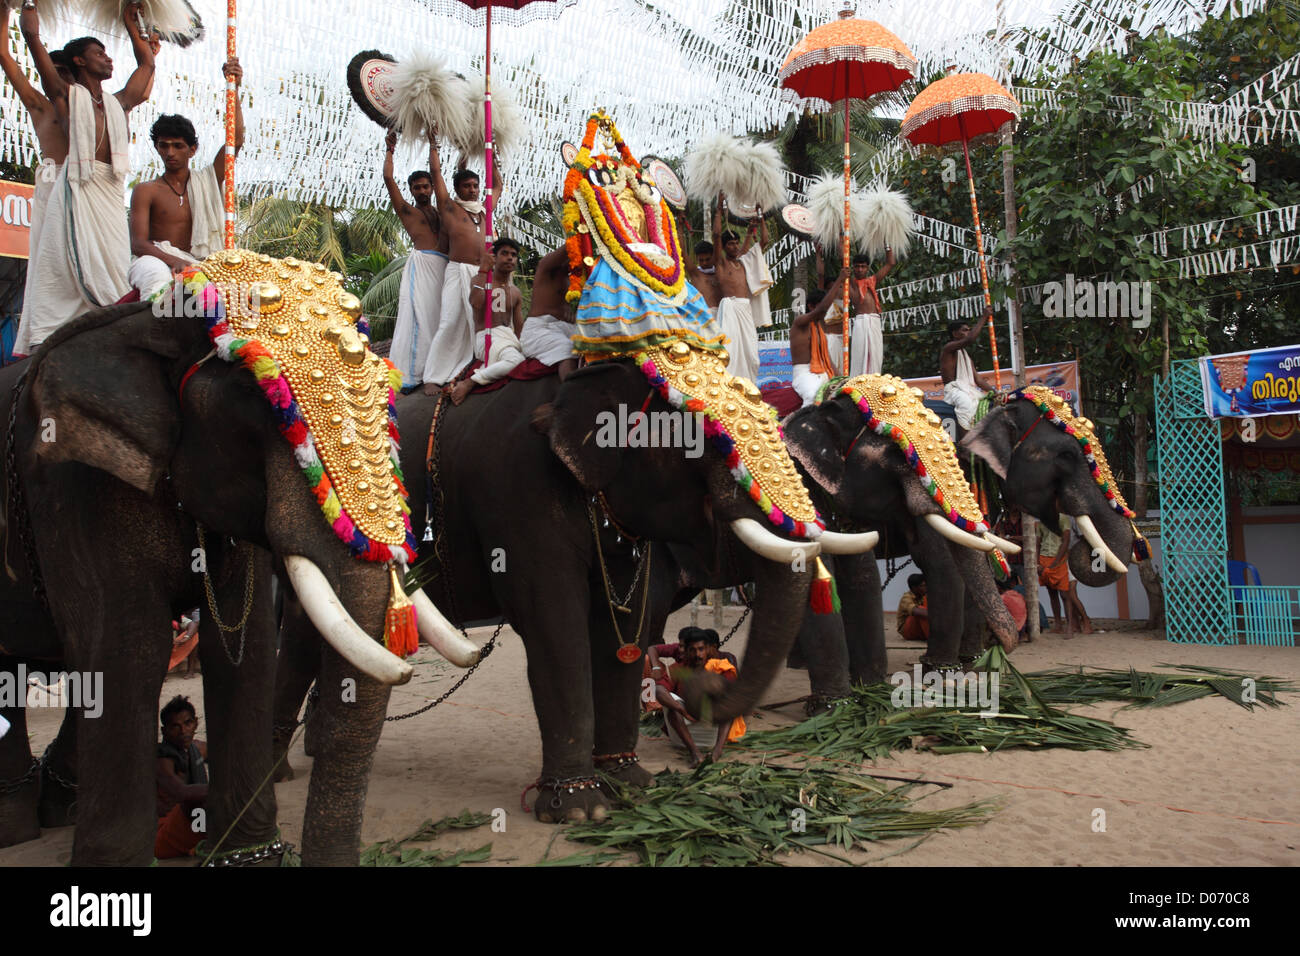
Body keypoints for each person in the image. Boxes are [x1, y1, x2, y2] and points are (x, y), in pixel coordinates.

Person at [14, 1, 155, 354]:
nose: (108, 59)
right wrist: (27, 11)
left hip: (109, 194)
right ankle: (48, 341)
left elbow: (147, 65)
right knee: (63, 270)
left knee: (115, 271)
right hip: (76, 191)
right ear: (80, 61)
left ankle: (114, 328)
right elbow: (33, 40)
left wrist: (130, 24)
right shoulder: (64, 97)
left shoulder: (119, 103)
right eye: (99, 53)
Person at [127, 60, 244, 300]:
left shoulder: (207, 180)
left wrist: (235, 88)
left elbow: (236, 141)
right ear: (157, 148)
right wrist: (175, 262)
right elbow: (138, 244)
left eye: (178, 146)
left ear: (192, 150)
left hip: (201, 264)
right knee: (155, 280)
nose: (170, 153)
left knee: (245, 297)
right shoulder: (145, 190)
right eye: (164, 146)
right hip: (156, 260)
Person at [2, 3, 73, 347]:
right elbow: (5, 56)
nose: (54, 78)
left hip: (91, 192)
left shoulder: (96, 108)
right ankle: (45, 335)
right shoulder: (40, 104)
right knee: (51, 264)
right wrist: (5, 10)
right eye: (50, 71)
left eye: (61, 71)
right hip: (54, 190)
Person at [423, 143, 502, 389]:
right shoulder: (449, 208)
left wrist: (494, 155)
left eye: (475, 186)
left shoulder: (485, 210)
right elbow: (436, 174)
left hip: (486, 273)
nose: (472, 190)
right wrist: (433, 145)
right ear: (457, 189)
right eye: (467, 186)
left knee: (490, 321)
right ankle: (434, 377)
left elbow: (498, 185)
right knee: (450, 321)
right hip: (458, 271)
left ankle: (485, 363)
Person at [384, 129, 445, 391]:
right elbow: (388, 178)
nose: (421, 190)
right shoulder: (407, 211)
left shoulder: (443, 210)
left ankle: (441, 367)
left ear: (431, 188)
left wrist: (434, 144)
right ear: (411, 190)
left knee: (441, 318)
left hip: (445, 266)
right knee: (420, 319)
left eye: (425, 186)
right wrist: (390, 148)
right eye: (416, 187)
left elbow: (443, 173)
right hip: (421, 266)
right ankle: (413, 374)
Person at [649, 627, 743, 766]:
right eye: (692, 650)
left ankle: (717, 752)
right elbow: (658, 690)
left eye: (701, 649)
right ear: (685, 651)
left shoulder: (719, 667)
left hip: (711, 732)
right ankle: (695, 753)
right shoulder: (678, 669)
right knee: (672, 703)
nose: (697, 654)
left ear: (708, 650)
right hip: (683, 737)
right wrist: (682, 711)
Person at [450, 238, 524, 404]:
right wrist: (483, 270)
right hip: (486, 337)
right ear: (494, 257)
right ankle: (470, 382)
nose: (510, 258)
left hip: (508, 339)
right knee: (515, 362)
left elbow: (520, 330)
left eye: (513, 255)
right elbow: (475, 303)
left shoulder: (515, 292)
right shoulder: (480, 280)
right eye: (504, 253)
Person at [710, 192, 766, 382]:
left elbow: (763, 241)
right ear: (724, 247)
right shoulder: (721, 263)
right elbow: (716, 234)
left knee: (752, 356)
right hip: (730, 309)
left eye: (736, 243)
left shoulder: (743, 262)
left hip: (745, 309)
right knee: (730, 352)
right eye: (730, 244)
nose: (734, 247)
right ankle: (729, 387)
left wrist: (761, 217)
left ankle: (749, 386)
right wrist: (719, 209)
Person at [825, 250, 895, 377]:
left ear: (867, 268)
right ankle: (857, 383)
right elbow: (842, 258)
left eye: (863, 266)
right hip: (860, 321)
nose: (860, 269)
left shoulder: (872, 281)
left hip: (874, 320)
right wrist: (841, 238)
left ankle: (874, 381)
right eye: (857, 266)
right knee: (859, 354)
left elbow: (890, 263)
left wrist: (887, 244)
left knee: (875, 355)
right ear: (853, 268)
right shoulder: (850, 283)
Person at [155, 695, 207, 859]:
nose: (183, 731)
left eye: (187, 723)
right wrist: (219, 789)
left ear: (196, 723)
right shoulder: (163, 759)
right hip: (164, 833)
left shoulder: (198, 748)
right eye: (175, 727)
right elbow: (180, 792)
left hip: (195, 825)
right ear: (164, 731)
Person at [519, 247, 578, 379]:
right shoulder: (545, 266)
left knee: (595, 343)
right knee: (567, 348)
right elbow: (572, 244)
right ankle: (571, 397)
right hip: (539, 330)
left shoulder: (571, 278)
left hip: (566, 328)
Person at [939, 307, 998, 432]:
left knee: (986, 405)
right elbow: (970, 339)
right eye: (964, 330)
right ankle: (966, 442)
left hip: (968, 390)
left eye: (969, 330)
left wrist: (995, 393)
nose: (968, 333)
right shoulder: (948, 349)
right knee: (966, 405)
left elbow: (978, 379)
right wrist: (984, 317)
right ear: (955, 334)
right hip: (954, 391)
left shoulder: (965, 355)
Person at [1037, 515, 1093, 634]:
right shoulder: (1045, 519)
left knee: (1070, 593)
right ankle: (1073, 624)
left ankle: (1085, 621)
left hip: (1071, 557)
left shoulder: (1071, 518)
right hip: (1052, 558)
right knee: (1058, 593)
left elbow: (1082, 537)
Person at [789, 284, 840, 407]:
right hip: (804, 374)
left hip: (823, 372)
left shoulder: (819, 327)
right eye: (824, 306)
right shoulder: (800, 322)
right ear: (811, 306)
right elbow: (821, 310)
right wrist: (840, 280)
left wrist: (842, 379)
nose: (827, 311)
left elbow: (827, 359)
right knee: (813, 397)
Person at [685, 239, 721, 315]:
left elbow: (717, 236)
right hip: (704, 316)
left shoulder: (721, 272)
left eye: (708, 259)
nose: (704, 263)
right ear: (697, 259)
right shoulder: (695, 274)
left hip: (723, 315)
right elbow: (682, 250)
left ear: (713, 256)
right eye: (701, 260)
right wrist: (680, 227)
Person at [896, 573, 929, 641]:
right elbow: (916, 611)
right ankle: (932, 637)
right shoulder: (906, 598)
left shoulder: (923, 596)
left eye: (926, 585)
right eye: (922, 586)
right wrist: (936, 615)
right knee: (921, 611)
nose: (925, 588)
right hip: (907, 630)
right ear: (914, 588)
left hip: (919, 629)